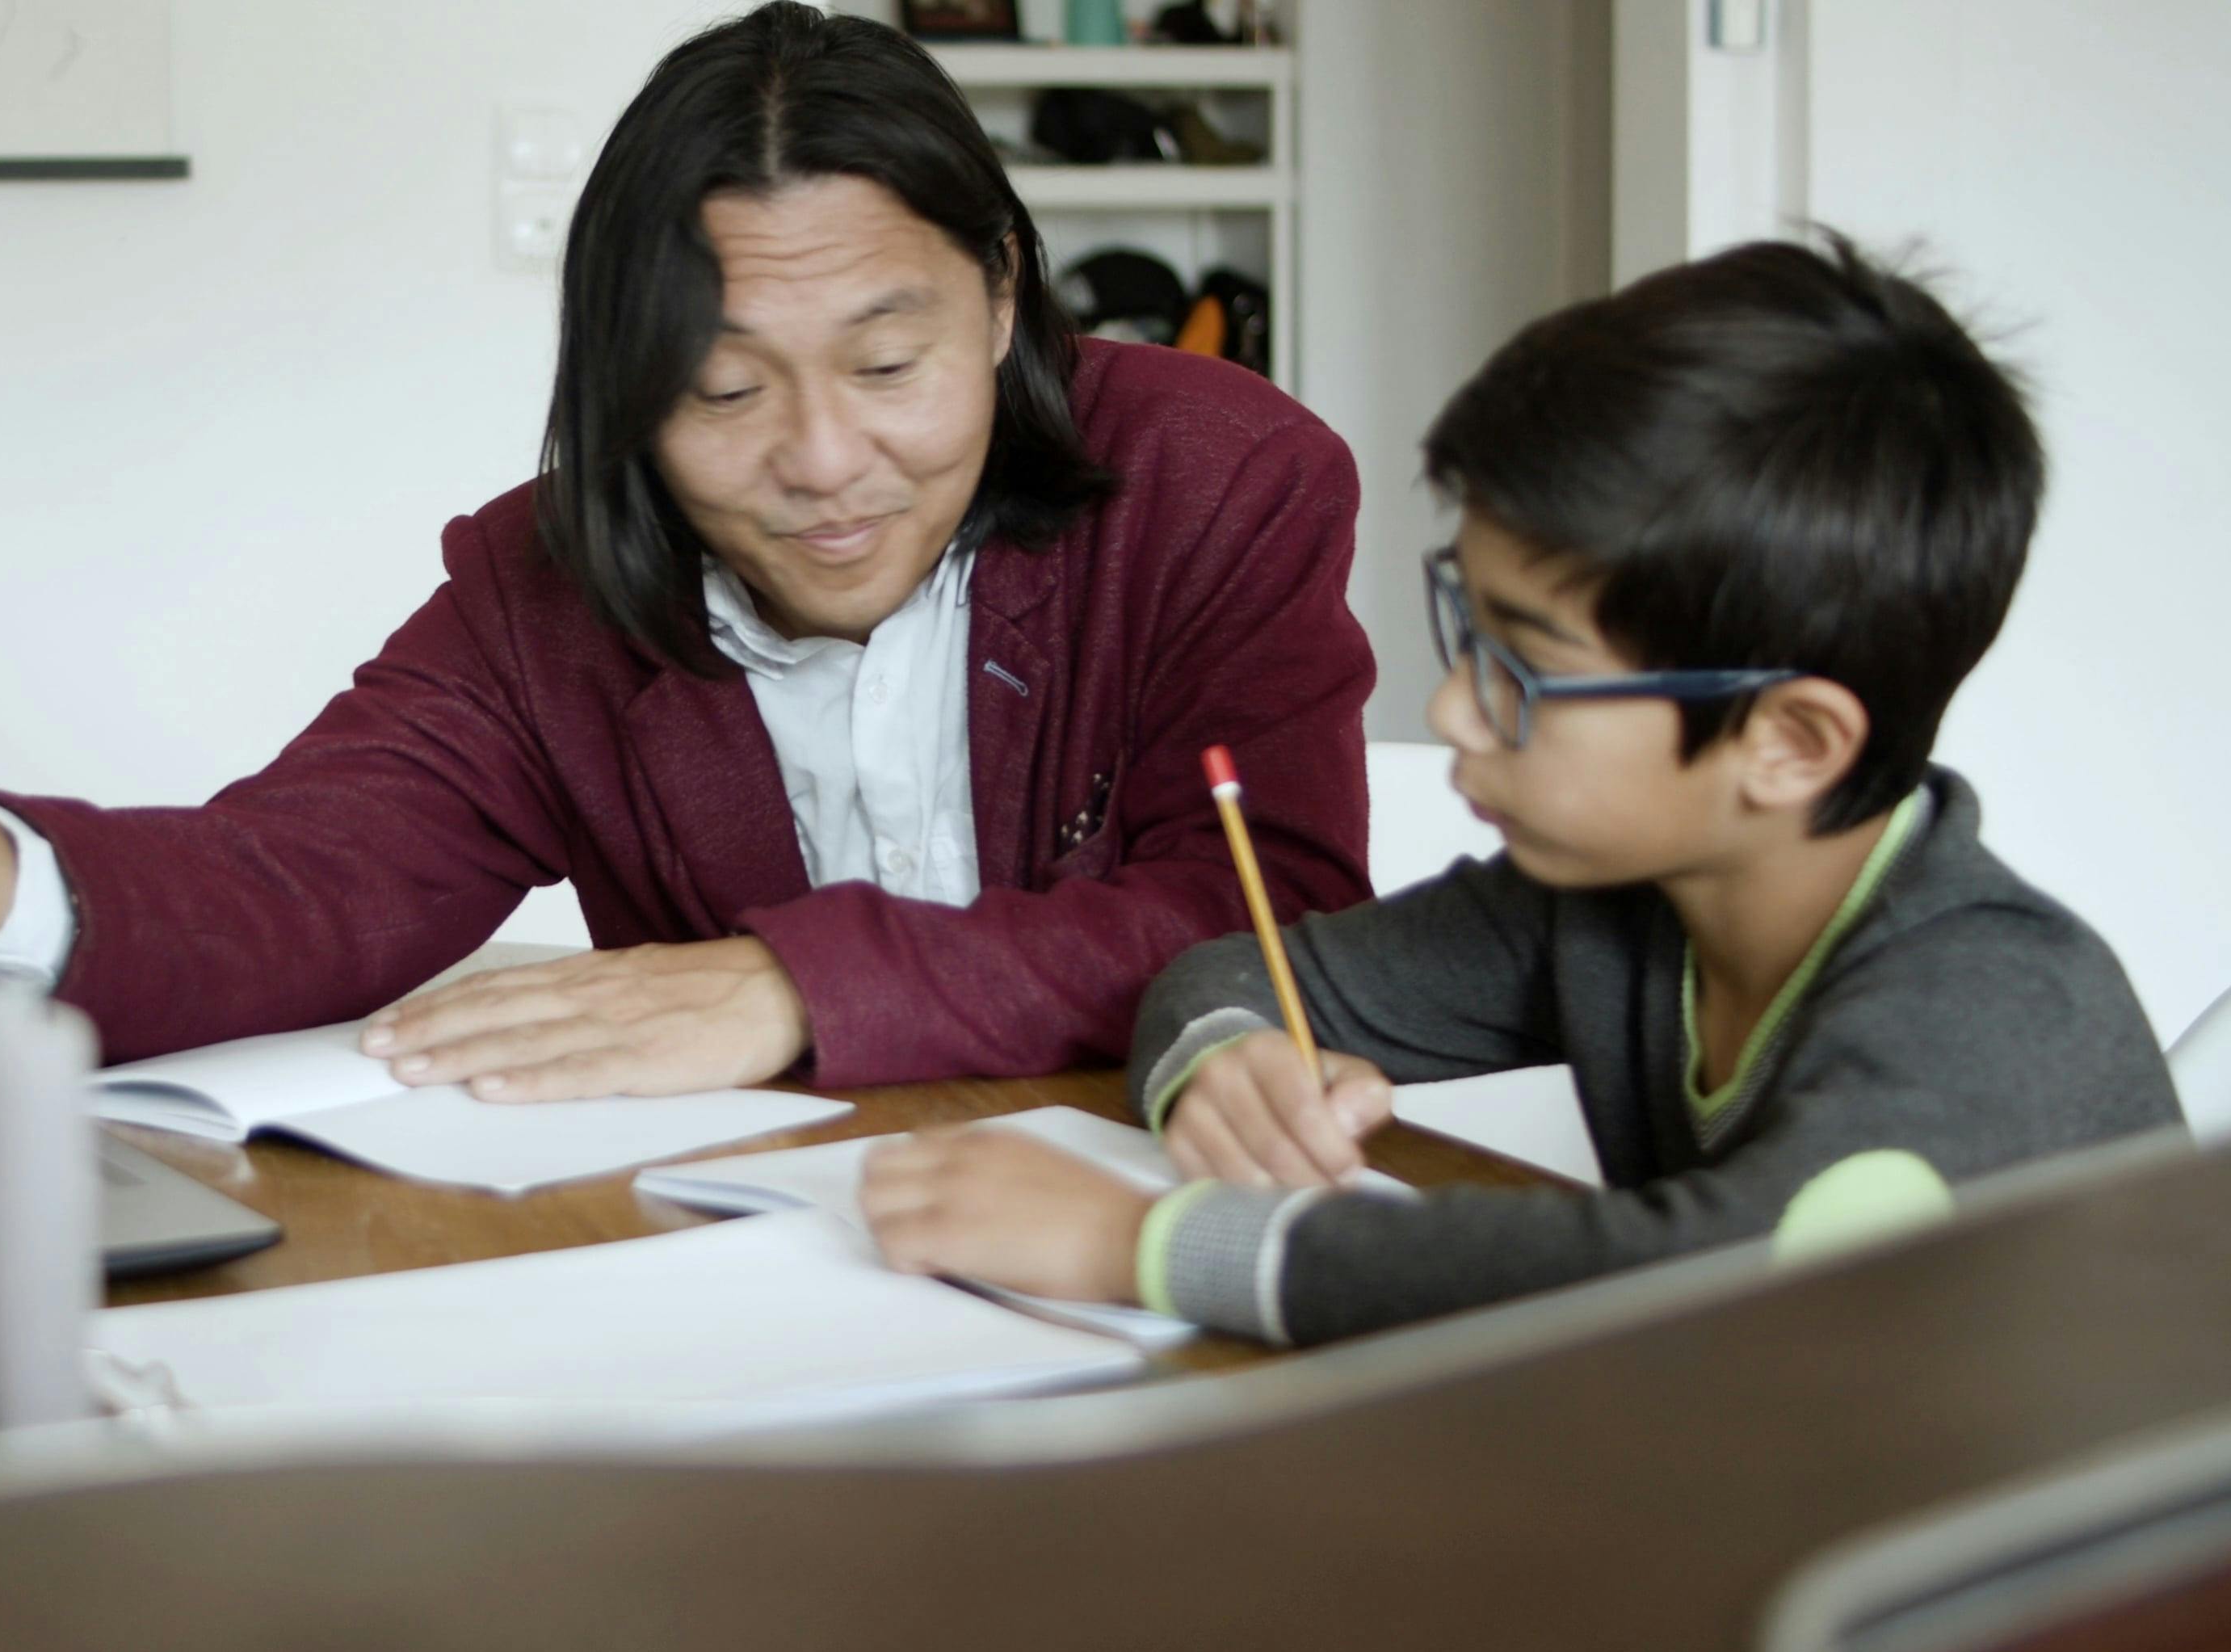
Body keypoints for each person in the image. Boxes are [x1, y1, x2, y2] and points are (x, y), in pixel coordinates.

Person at [0, 3, 1374, 1095]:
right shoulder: (539, 590)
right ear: (624, 393)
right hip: (736, 1291)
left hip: (1141, 1258)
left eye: (889, 366)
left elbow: (1273, 916)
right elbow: (302, 880)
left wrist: (786, 989)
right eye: (722, 391)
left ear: (1004, 296)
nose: (825, 463)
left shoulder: (1217, 483)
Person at [860, 235, 2186, 1343]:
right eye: (1464, 629)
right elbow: (1232, 975)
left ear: (1789, 742)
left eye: (1525, 669)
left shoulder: (2000, 1014)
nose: (1447, 712)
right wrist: (1227, 1065)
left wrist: (1148, 1243)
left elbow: (1689, 1294)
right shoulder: (1612, 895)